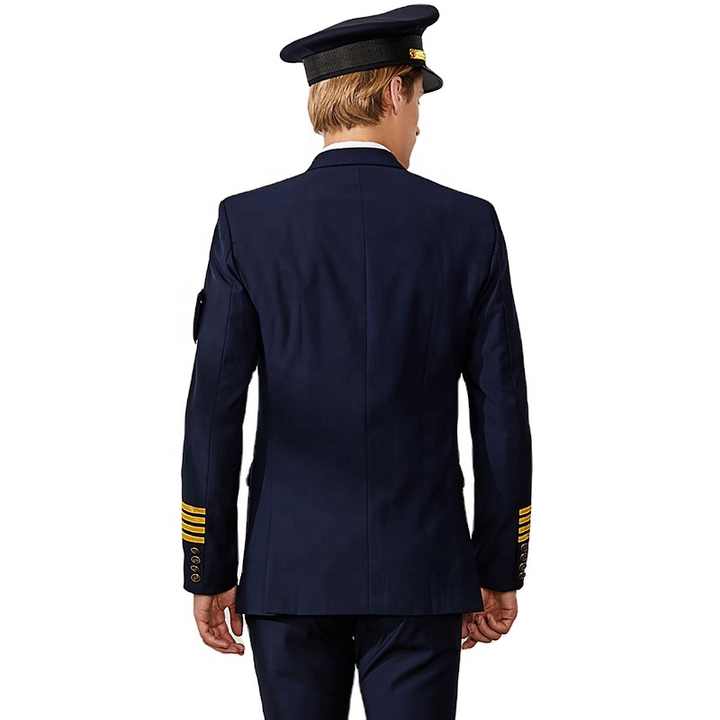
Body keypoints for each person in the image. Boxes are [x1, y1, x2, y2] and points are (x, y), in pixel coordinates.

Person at [180, 5, 532, 719]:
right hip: (422, 570)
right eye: (420, 99)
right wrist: (498, 565)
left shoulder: (248, 223)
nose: (420, 124)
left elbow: (214, 410)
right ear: (397, 90)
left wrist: (208, 564)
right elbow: (501, 413)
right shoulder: (469, 225)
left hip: (288, 569)